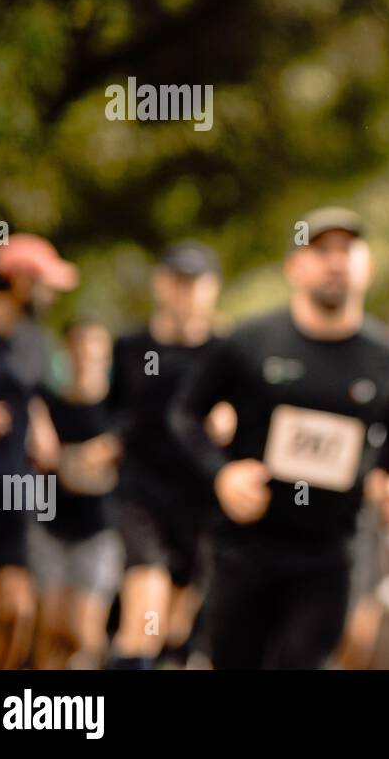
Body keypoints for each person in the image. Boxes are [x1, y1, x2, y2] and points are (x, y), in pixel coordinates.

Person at [170, 207, 389, 669]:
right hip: (246, 548)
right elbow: (185, 414)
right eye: (321, 250)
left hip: (331, 553)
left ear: (368, 267)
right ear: (294, 268)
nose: (335, 262)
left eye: (348, 250)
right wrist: (222, 476)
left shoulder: (384, 356)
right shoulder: (251, 341)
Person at [107, 242, 228, 669]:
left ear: (212, 289)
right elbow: (110, 413)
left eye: (196, 283)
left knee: (173, 628)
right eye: (178, 281)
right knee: (145, 606)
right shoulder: (131, 348)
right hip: (141, 495)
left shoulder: (224, 354)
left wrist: (229, 420)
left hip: (201, 503)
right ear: (161, 284)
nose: (186, 292)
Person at [0, 233, 71, 669]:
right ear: (19, 280)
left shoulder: (34, 343)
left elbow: (27, 394)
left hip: (11, 496)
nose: (53, 295)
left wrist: (41, 426)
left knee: (16, 611)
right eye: (46, 284)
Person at [29, 321, 124, 669]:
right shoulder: (46, 405)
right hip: (49, 525)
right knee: (50, 627)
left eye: (95, 349)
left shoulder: (120, 411)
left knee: (83, 632)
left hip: (99, 530)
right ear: (67, 353)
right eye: (80, 348)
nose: (87, 357)